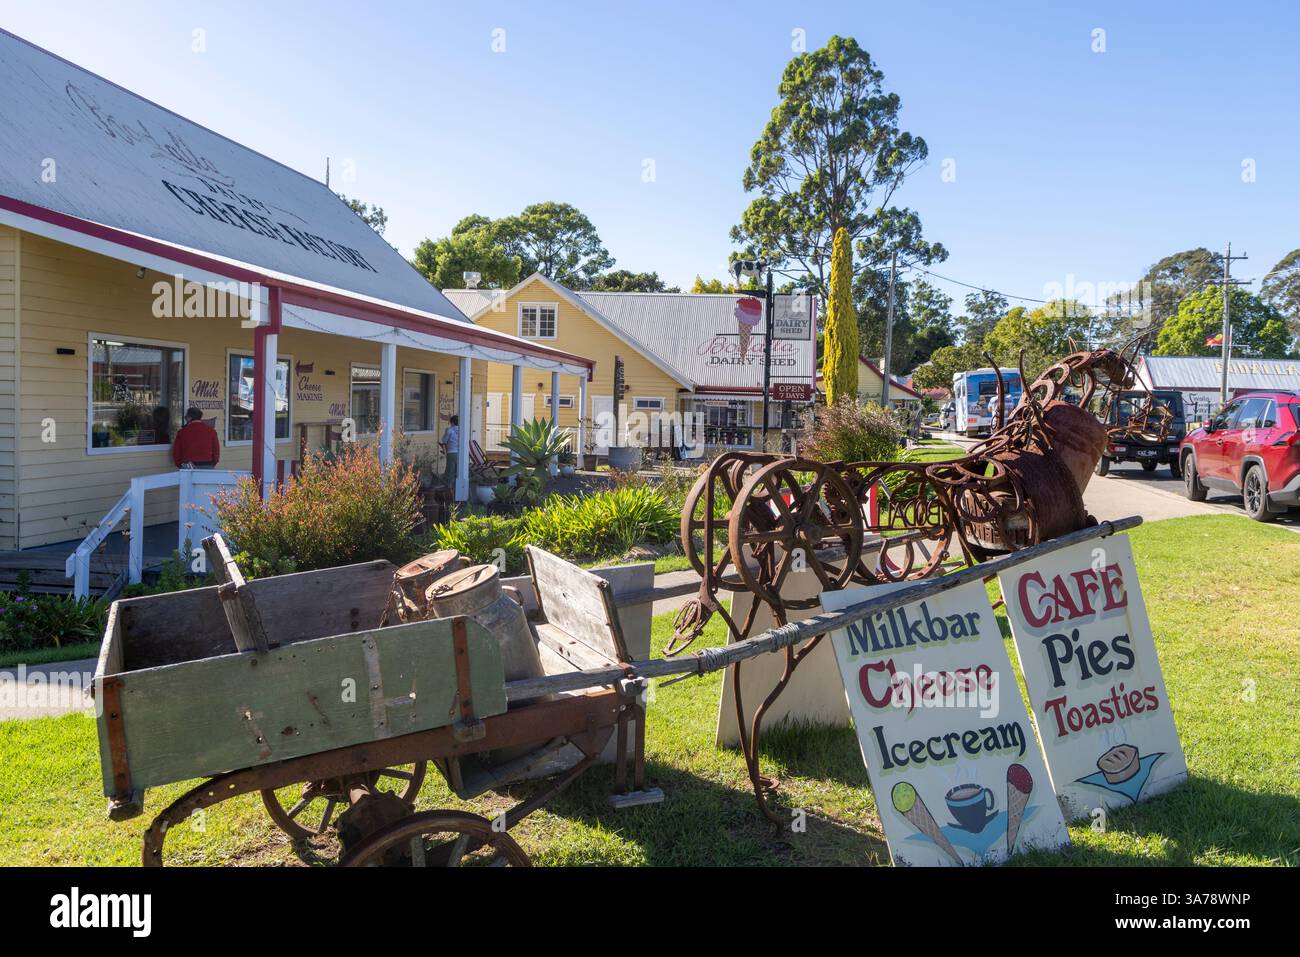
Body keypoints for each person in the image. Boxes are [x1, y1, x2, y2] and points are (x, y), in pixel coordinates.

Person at [442, 414, 460, 484]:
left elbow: (444, 441)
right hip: (460, 453)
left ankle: (449, 486)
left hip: (451, 452)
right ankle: (457, 485)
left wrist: (445, 432)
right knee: (458, 470)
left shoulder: (450, 430)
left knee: (450, 471)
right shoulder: (462, 430)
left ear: (452, 422)